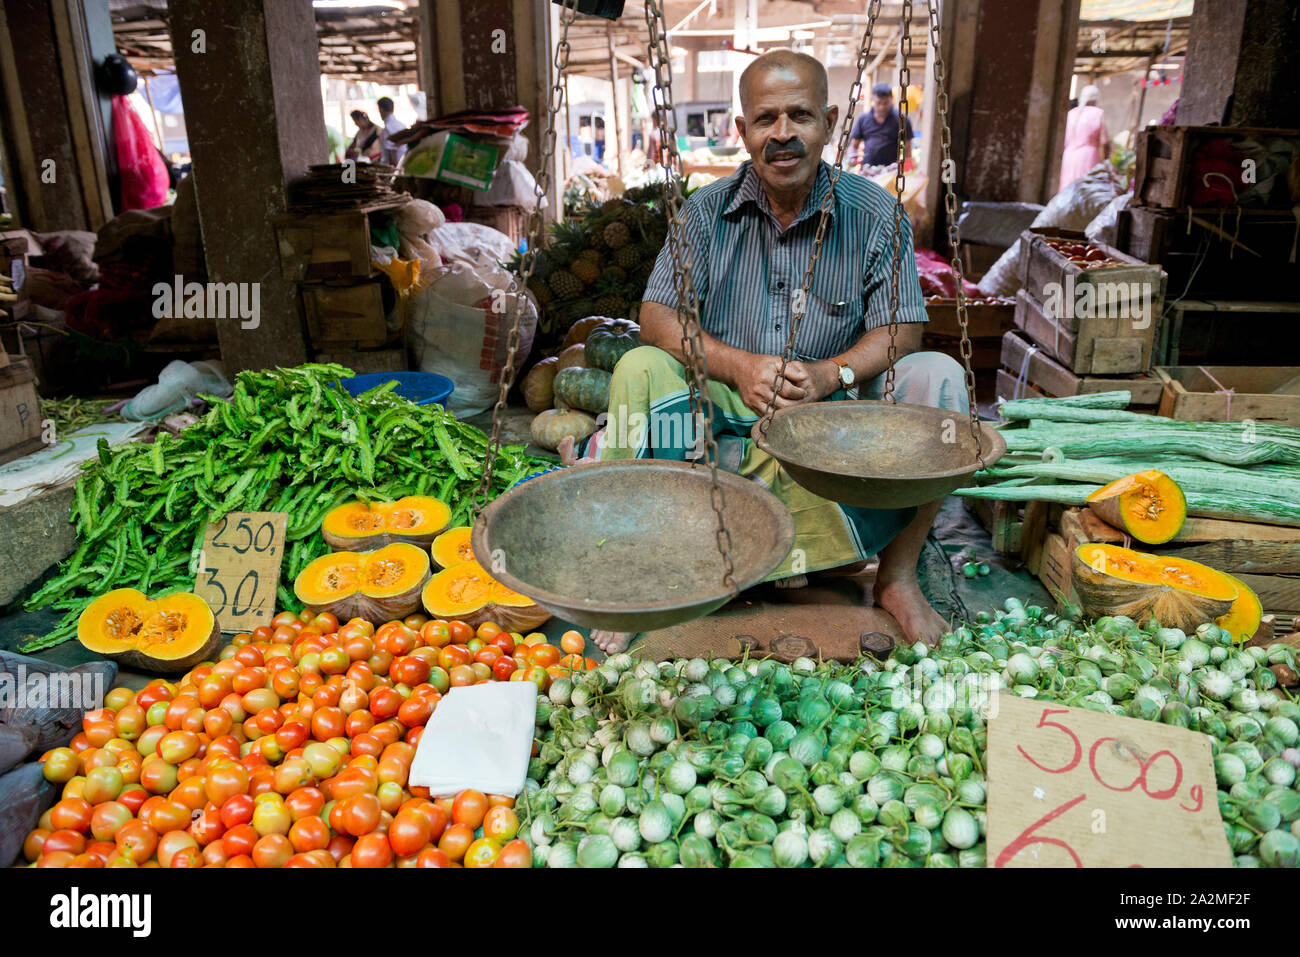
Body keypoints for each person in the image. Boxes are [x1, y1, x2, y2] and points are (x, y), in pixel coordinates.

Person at [558, 50, 967, 654]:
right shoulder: (703, 212)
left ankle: (897, 578)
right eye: (765, 118)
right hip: (722, 398)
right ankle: (646, 579)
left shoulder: (876, 212)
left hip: (832, 408)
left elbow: (903, 330)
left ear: (829, 121)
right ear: (742, 129)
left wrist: (834, 372)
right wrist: (738, 366)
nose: (782, 134)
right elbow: (656, 318)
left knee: (939, 376)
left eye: (799, 116)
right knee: (640, 365)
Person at [850, 82, 913, 172]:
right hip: (867, 170)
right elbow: (854, 146)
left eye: (885, 103)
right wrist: (852, 157)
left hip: (891, 171)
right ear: (872, 99)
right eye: (878, 103)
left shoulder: (901, 119)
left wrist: (906, 169)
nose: (882, 107)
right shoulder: (863, 119)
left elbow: (907, 147)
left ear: (891, 99)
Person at [1059, 85, 1109, 191]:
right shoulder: (1098, 113)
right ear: (1096, 99)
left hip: (1068, 157)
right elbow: (1105, 142)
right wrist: (1106, 162)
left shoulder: (1071, 113)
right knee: (1084, 191)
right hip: (1088, 157)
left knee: (1066, 190)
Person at [377, 96, 407, 167]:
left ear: (381, 109)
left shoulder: (388, 128)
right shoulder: (401, 125)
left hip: (394, 167)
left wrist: (394, 173)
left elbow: (393, 154)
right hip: (403, 163)